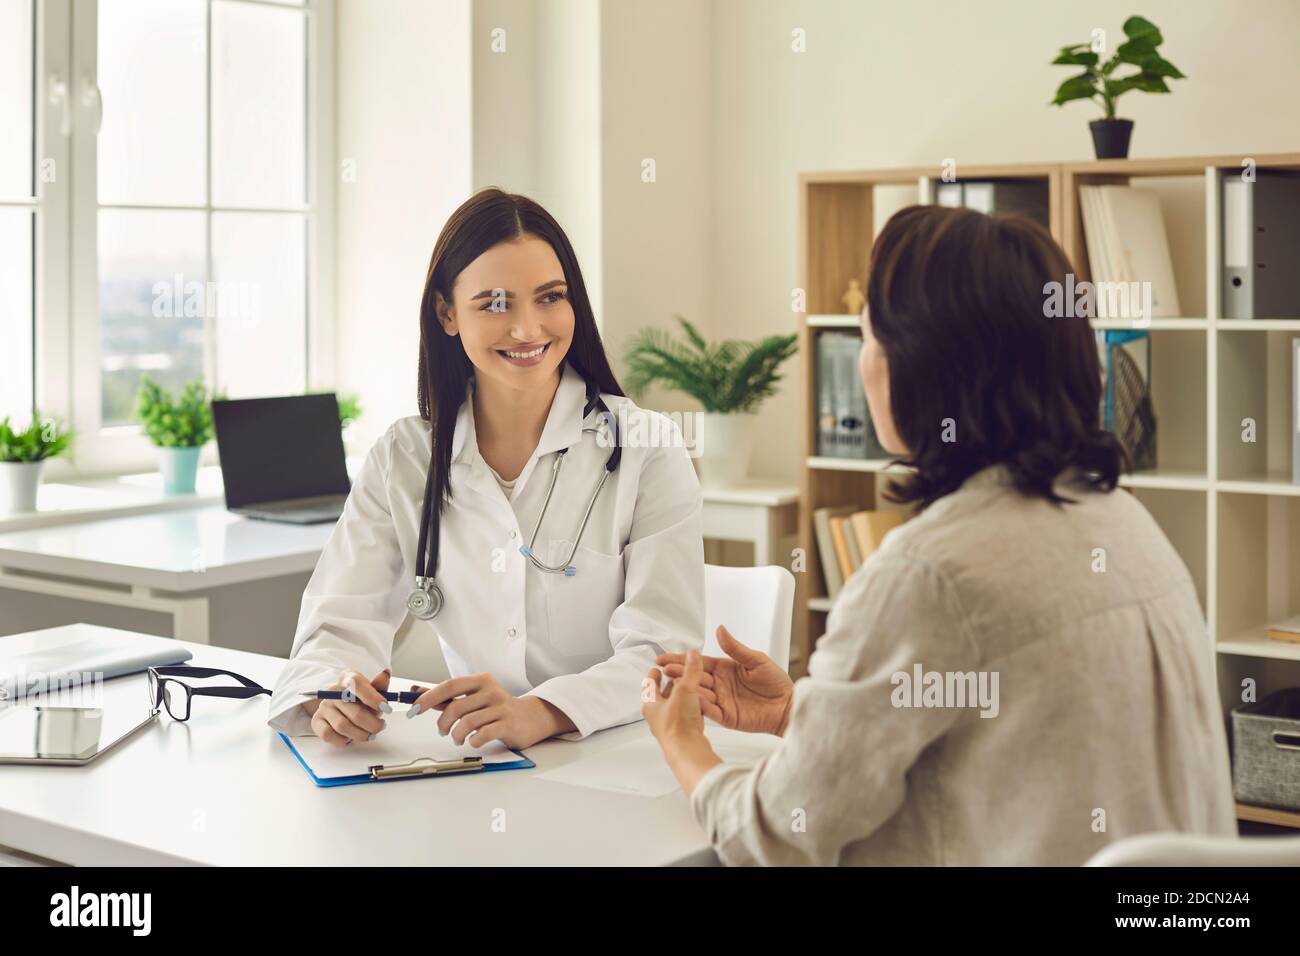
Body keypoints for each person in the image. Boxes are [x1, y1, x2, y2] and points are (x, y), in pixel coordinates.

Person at [643, 204, 1235, 865]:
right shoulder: (1120, 517)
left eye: (868, 336)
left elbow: (777, 838)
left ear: (920, 365)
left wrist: (684, 746)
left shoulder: (929, 575)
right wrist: (799, 714)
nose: (864, 363)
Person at [267, 188, 703, 750]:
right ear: (447, 313)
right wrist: (331, 693)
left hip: (620, 755)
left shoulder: (646, 447)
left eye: (550, 297)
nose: (526, 328)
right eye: (495, 303)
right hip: (480, 763)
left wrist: (541, 713)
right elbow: (338, 622)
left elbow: (662, 654)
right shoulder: (405, 458)